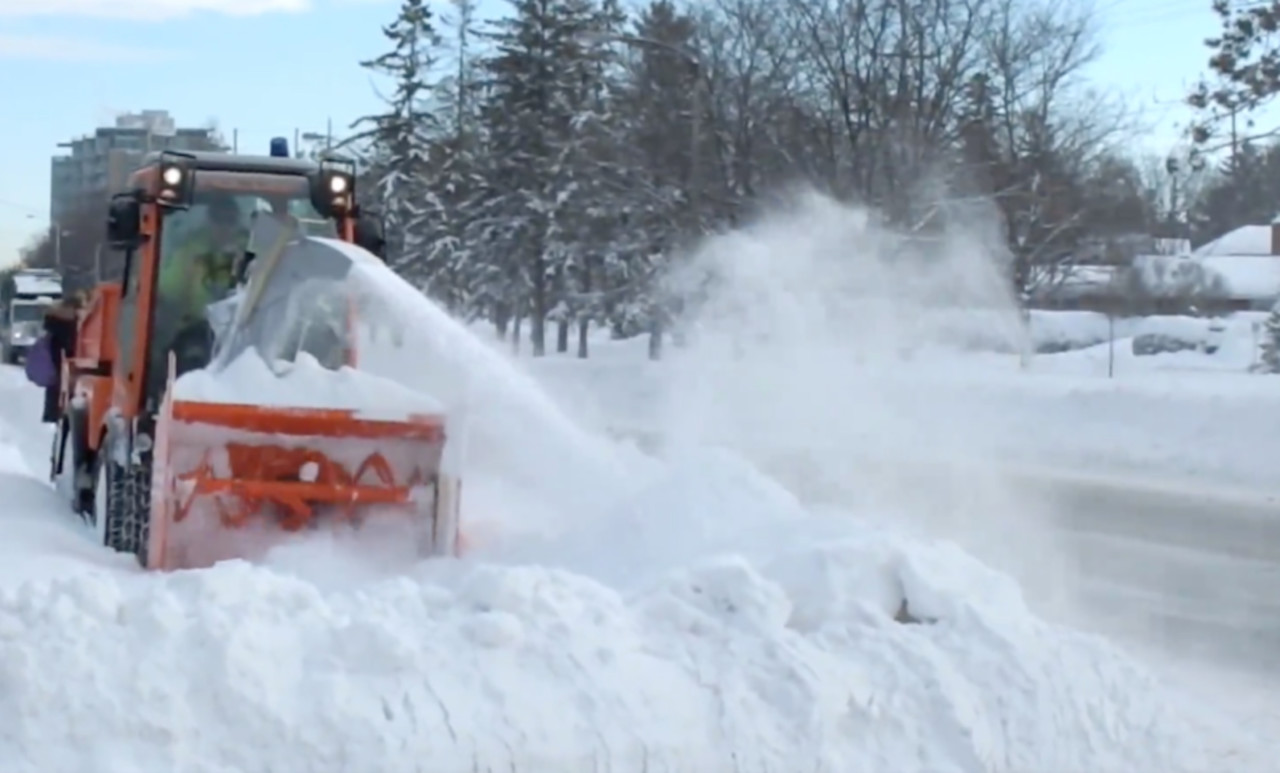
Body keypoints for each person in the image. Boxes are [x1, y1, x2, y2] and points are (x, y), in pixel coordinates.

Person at [155, 192, 249, 375]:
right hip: (197, 328)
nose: (223, 227)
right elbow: (168, 289)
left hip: (244, 332)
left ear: (236, 222)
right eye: (218, 220)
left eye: (229, 221)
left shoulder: (250, 252)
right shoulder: (192, 251)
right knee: (183, 358)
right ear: (209, 221)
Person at [40, 295, 82, 423]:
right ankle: (54, 413)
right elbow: (70, 344)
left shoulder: (55, 320)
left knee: (55, 385)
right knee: (61, 384)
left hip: (56, 361)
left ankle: (52, 413)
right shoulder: (67, 322)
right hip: (62, 361)